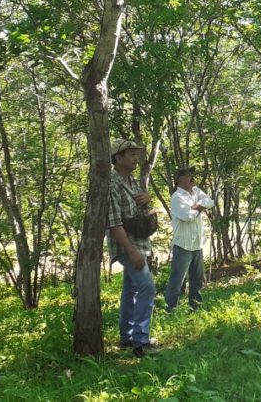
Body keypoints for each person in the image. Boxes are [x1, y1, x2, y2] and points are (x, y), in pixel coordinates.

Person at [106, 138, 158, 357]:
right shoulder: (112, 183)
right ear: (118, 158)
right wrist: (131, 251)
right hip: (127, 246)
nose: (136, 158)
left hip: (140, 243)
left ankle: (127, 337)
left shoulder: (132, 182)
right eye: (131, 155)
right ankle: (140, 341)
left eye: (137, 154)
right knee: (147, 286)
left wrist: (148, 200)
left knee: (131, 290)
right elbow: (113, 222)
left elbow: (141, 211)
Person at [166, 166, 215, 312]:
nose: (193, 179)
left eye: (193, 176)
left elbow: (210, 202)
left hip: (197, 244)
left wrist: (197, 206)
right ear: (180, 180)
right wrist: (201, 207)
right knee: (177, 281)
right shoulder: (177, 197)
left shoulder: (196, 191)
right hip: (183, 246)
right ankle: (170, 310)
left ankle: (196, 308)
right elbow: (188, 216)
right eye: (189, 176)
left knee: (197, 281)